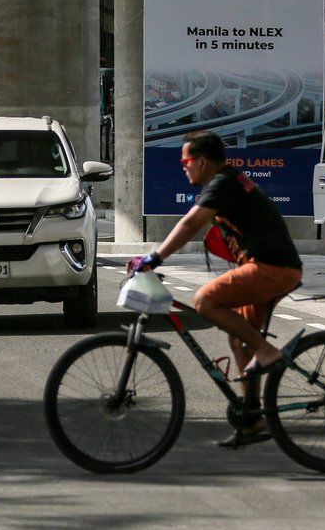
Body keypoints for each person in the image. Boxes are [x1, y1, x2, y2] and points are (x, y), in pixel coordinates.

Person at [128, 130, 303, 448]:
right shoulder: (226, 182)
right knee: (238, 339)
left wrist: (154, 257)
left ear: (202, 161)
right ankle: (252, 418)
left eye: (185, 161)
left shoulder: (222, 184)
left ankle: (266, 352)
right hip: (268, 266)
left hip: (271, 268)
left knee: (205, 301)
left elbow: (190, 224)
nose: (183, 167)